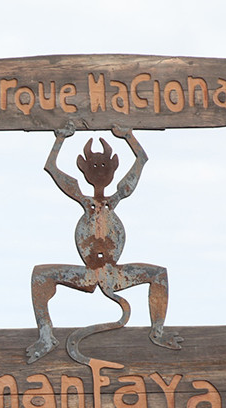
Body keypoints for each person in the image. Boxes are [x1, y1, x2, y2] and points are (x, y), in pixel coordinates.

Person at [26, 123, 182, 365]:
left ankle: (157, 332)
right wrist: (60, 139)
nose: (100, 170)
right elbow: (52, 168)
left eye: (105, 166)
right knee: (41, 275)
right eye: (94, 167)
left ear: (113, 168)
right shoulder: (82, 197)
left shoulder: (117, 196)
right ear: (83, 169)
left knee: (158, 274)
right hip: (88, 273)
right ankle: (46, 337)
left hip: (114, 272)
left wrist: (128, 135)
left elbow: (142, 159)